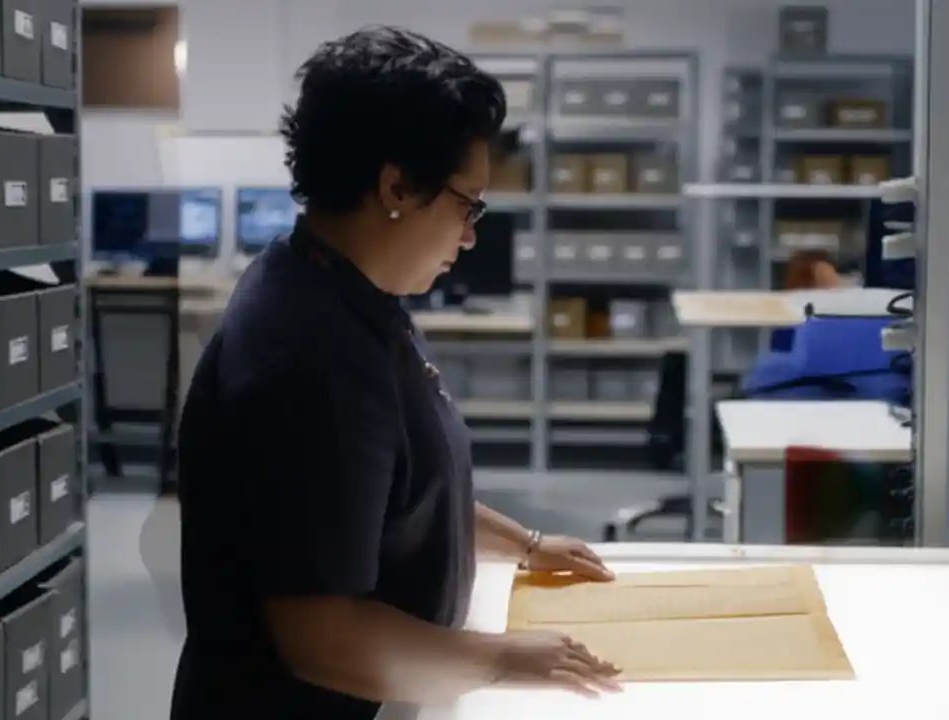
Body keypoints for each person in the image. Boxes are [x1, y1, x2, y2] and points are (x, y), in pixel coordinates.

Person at [170, 27, 622, 720]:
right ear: (396, 187)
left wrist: (524, 546)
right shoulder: (308, 359)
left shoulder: (341, 290)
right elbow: (321, 639)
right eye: (467, 205)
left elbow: (385, 497)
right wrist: (501, 658)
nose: (471, 236)